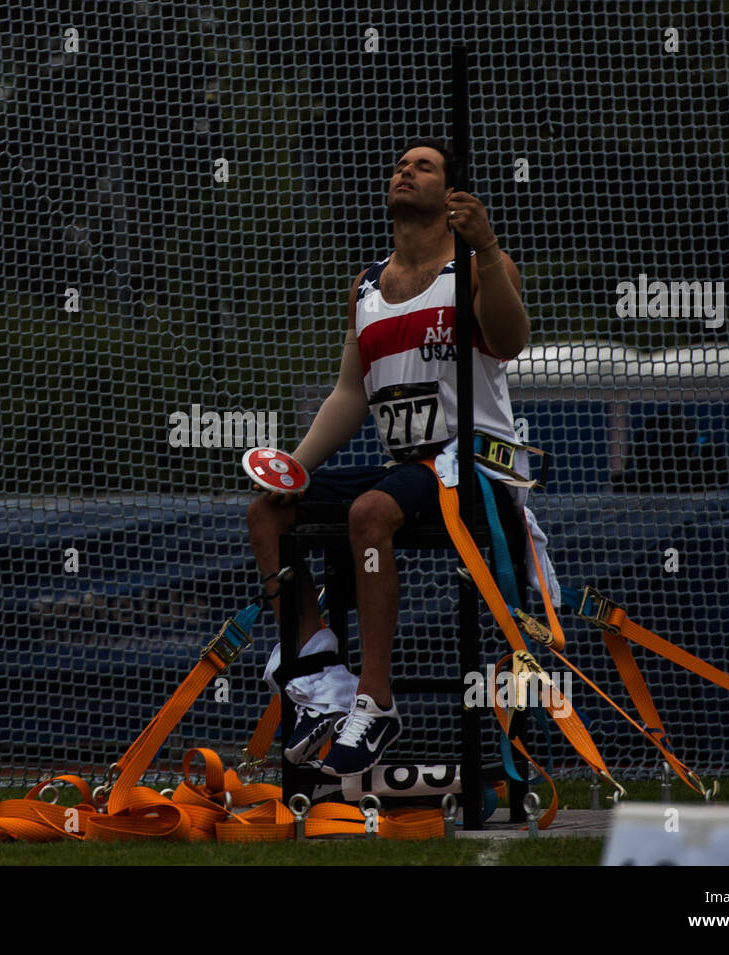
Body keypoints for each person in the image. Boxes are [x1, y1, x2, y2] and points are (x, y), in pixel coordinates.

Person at [247, 137, 543, 777]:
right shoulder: (365, 287)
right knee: (268, 513)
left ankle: (374, 702)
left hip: (477, 468)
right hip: (407, 471)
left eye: (424, 165)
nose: (405, 170)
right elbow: (351, 393)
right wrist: (294, 469)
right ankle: (318, 670)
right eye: (401, 164)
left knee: (371, 511)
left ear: (452, 195)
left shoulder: (475, 267)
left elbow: (512, 341)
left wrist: (487, 249)